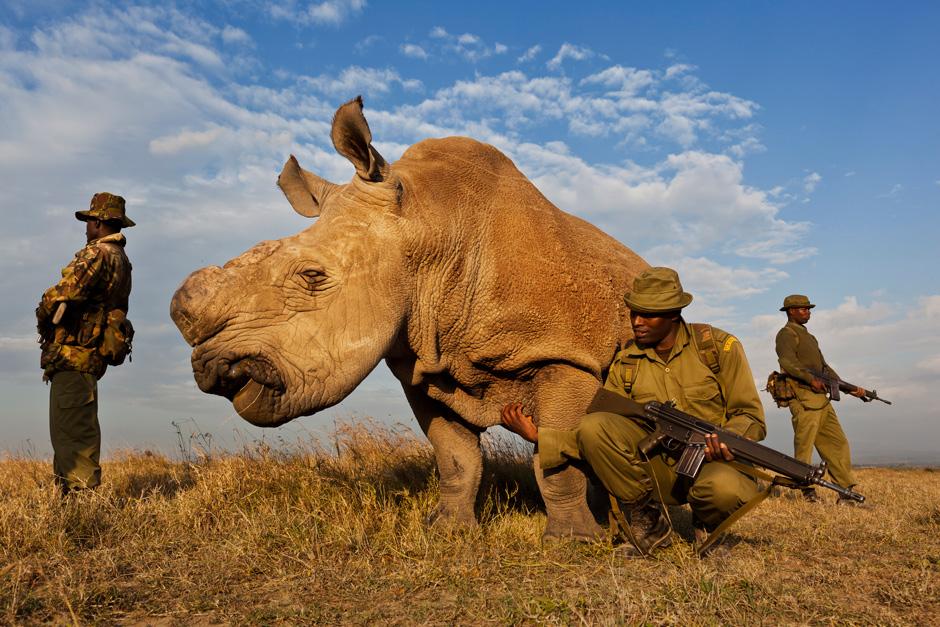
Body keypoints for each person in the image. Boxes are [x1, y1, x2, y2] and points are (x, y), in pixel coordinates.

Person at [501, 267, 766, 555]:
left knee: (724, 488)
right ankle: (650, 525)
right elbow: (594, 436)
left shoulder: (718, 349)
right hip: (659, 469)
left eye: (648, 315)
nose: (637, 322)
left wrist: (726, 439)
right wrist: (539, 436)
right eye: (633, 313)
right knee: (595, 425)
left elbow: (751, 417)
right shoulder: (627, 362)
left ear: (674, 315)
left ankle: (708, 524)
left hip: (713, 463)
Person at [36, 192, 134, 495]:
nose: (87, 225)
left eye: (90, 219)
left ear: (101, 222)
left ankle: (82, 505)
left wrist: (43, 312)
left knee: (73, 434)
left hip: (74, 355)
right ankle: (71, 499)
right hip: (88, 358)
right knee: (74, 430)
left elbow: (61, 295)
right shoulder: (122, 260)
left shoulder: (96, 254)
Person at [775, 295, 863, 504]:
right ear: (791, 311)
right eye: (803, 309)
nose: (808, 312)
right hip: (803, 397)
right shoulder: (786, 334)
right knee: (804, 446)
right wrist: (809, 379)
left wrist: (847, 387)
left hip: (821, 400)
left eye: (808, 309)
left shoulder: (810, 337)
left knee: (837, 443)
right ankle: (806, 491)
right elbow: (787, 363)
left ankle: (846, 491)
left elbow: (824, 367)